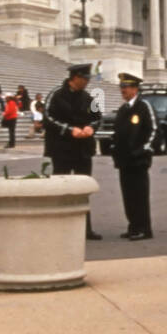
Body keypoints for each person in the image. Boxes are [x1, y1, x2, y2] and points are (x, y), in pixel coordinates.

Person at [45, 62, 103, 239]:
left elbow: (98, 117)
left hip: (83, 148)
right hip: (62, 149)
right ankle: (60, 226)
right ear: (75, 78)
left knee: (83, 189)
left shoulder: (88, 97)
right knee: (61, 187)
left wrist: (91, 128)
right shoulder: (56, 94)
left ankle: (85, 228)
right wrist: (70, 130)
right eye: (84, 79)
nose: (87, 82)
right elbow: (48, 118)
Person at [112, 73, 156, 240]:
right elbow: (118, 134)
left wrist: (143, 151)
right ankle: (133, 226)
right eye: (121, 87)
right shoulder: (123, 109)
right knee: (128, 195)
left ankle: (144, 228)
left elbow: (153, 131)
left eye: (126, 87)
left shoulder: (143, 106)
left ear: (135, 88)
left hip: (138, 160)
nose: (123, 90)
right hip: (124, 161)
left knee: (140, 195)